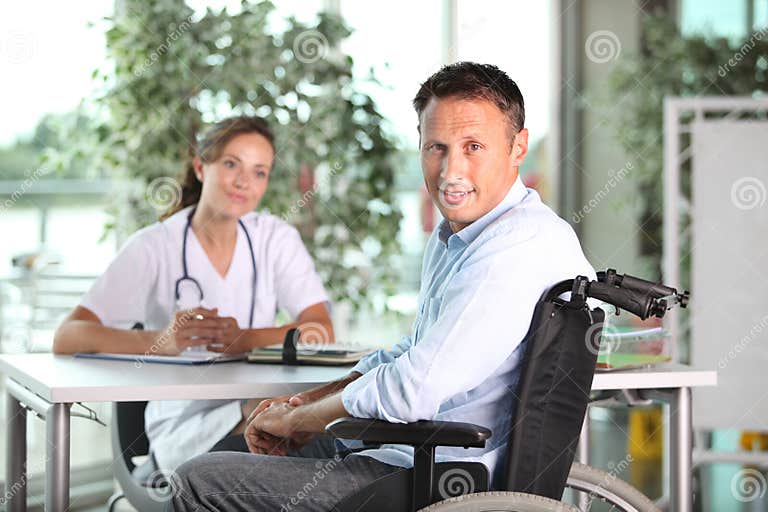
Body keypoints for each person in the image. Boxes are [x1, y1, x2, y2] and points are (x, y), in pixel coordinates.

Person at [169, 62, 596, 511]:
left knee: (197, 483)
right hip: (403, 452)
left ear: (517, 147)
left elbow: (414, 388)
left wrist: (302, 419)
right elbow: (410, 353)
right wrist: (306, 402)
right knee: (230, 457)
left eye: (474, 147)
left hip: (439, 476)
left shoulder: (514, 247)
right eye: (436, 147)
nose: (451, 171)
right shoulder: (461, 234)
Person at [53, 116, 333, 472]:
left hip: (259, 407)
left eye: (259, 171)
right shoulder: (154, 246)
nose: (244, 182)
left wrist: (243, 340)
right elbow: (68, 335)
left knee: (309, 432)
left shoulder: (276, 239)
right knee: (292, 445)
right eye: (231, 164)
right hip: (183, 426)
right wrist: (162, 340)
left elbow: (321, 330)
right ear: (201, 167)